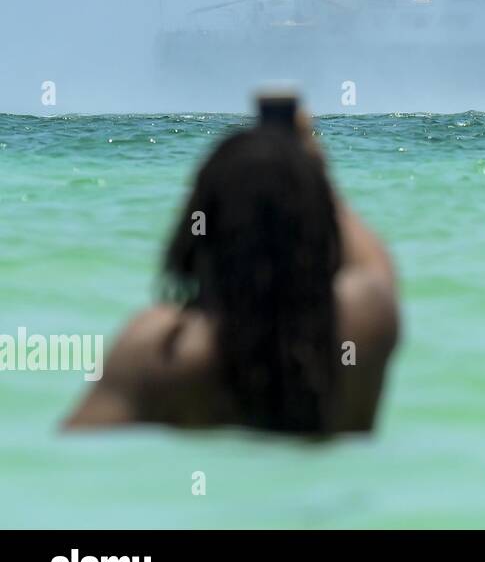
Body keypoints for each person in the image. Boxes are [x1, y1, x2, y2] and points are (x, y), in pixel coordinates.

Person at [64, 109, 399, 435]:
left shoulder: (163, 351)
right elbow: (374, 269)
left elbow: (70, 459)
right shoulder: (361, 327)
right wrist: (310, 169)